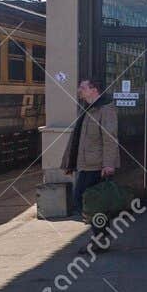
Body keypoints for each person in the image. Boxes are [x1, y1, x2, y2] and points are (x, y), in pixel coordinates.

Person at [62, 78, 120, 217]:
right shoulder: (89, 109)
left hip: (96, 165)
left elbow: (110, 139)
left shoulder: (105, 110)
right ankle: (100, 234)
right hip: (87, 164)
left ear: (94, 90)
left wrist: (108, 164)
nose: (79, 91)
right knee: (88, 202)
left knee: (90, 202)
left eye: (83, 88)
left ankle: (101, 234)